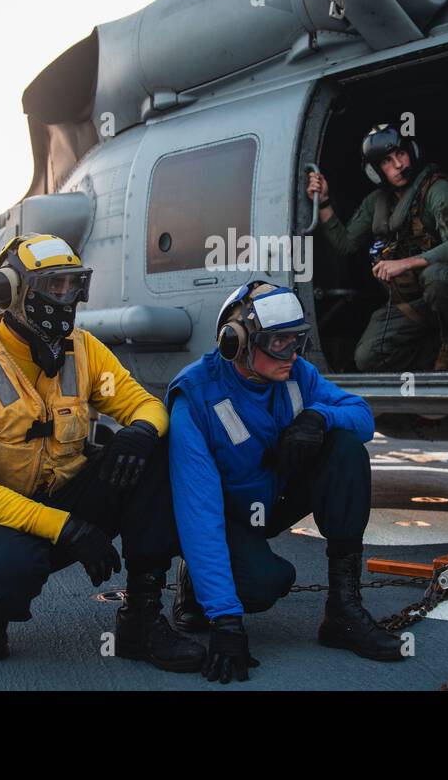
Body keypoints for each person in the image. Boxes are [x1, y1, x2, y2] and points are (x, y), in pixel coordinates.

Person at [0, 232, 204, 672]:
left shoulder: (84, 351)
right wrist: (66, 529)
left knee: (156, 452)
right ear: (9, 292)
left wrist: (141, 431)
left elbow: (145, 404)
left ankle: (141, 618)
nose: (66, 298)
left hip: (66, 499)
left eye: (73, 285)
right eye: (54, 287)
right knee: (7, 566)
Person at [165, 280, 405, 684]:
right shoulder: (196, 397)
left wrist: (318, 418)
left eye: (298, 340)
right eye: (278, 343)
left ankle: (343, 611)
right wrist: (226, 622)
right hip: (229, 517)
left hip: (272, 498)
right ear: (235, 342)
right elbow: (198, 512)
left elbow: (363, 416)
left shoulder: (298, 374)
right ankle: (194, 587)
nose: (291, 354)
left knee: (345, 448)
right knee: (264, 585)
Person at [307, 124, 448, 372]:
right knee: (368, 357)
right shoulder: (377, 202)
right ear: (375, 171)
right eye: (386, 161)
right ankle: (434, 358)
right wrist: (323, 203)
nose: (398, 164)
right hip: (410, 303)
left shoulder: (438, 190)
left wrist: (405, 263)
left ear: (412, 152)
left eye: (401, 154)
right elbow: (345, 244)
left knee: (438, 278)